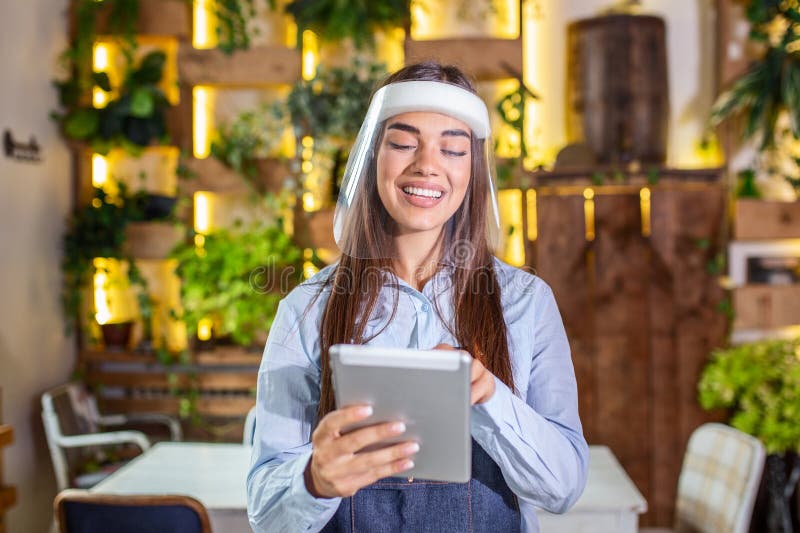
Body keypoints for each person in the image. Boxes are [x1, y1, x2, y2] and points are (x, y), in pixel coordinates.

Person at [247, 61, 588, 532]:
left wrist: (489, 396)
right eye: (404, 143)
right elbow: (266, 515)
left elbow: (564, 487)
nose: (427, 164)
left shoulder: (525, 303)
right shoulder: (307, 309)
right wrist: (314, 479)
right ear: (372, 157)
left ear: (473, 171)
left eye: (452, 149)